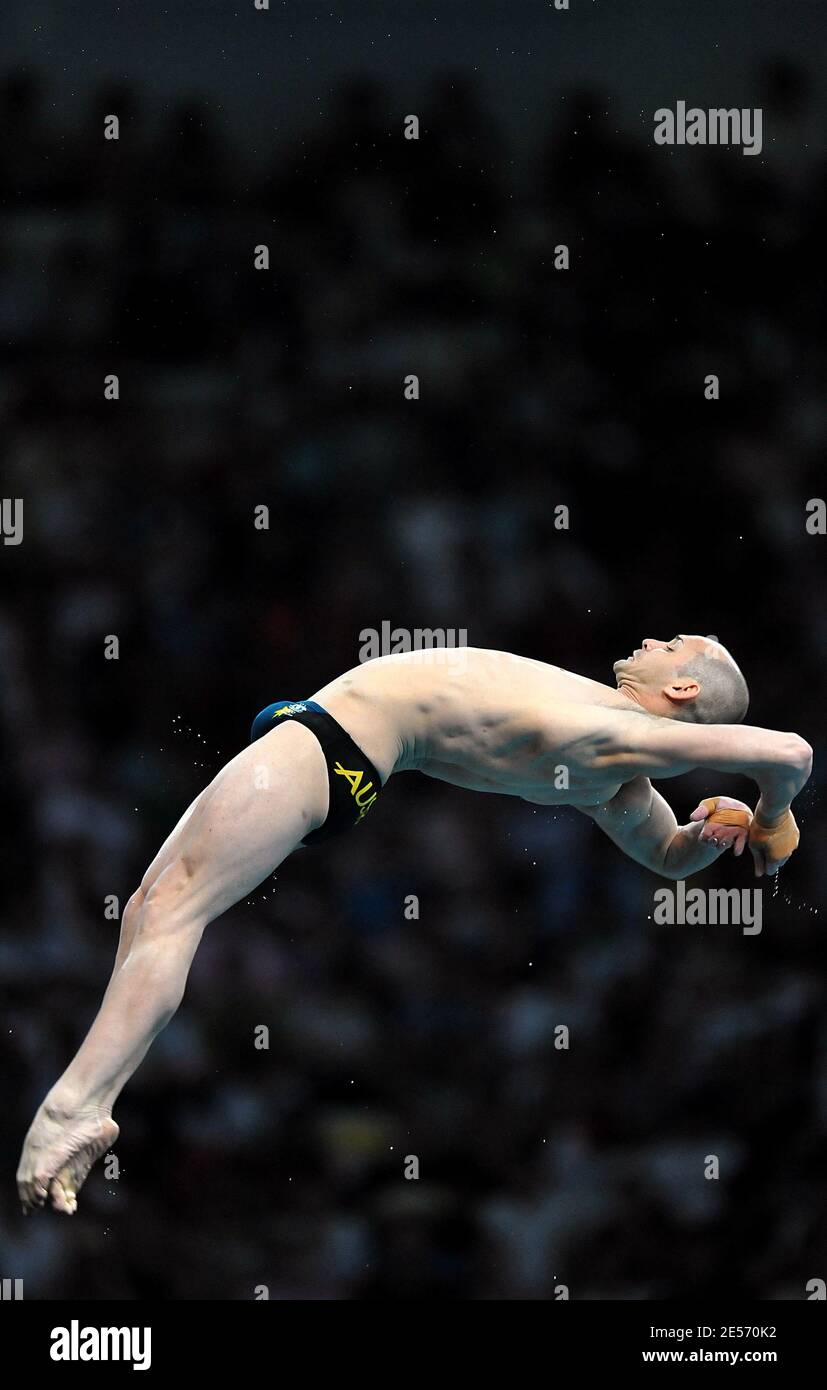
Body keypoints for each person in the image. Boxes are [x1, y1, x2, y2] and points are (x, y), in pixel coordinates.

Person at [17, 634, 811, 1214]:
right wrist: (712, 828)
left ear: (679, 690)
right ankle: (90, 1095)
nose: (649, 639)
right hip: (335, 749)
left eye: (672, 646)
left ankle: (76, 1108)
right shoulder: (615, 774)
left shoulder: (618, 738)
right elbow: (668, 858)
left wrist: (773, 817)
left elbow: (790, 751)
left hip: (332, 746)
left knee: (168, 913)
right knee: (152, 913)